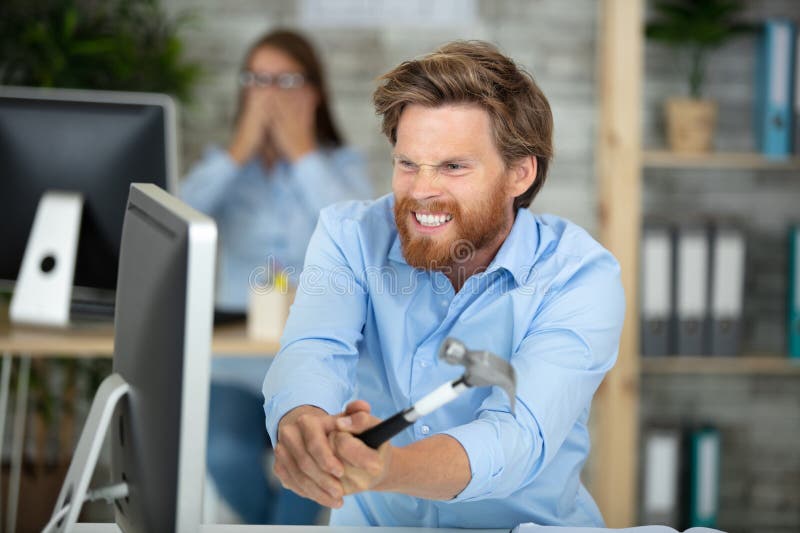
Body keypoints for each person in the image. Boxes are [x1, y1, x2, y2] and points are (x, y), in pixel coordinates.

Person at [262, 40, 625, 528]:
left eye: (454, 166)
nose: (422, 191)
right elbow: (313, 349)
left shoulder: (579, 277)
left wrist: (389, 468)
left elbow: (518, 438)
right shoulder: (350, 236)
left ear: (520, 173)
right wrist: (302, 422)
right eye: (407, 163)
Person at [180, 29, 373, 524]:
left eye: (284, 80)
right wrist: (240, 149)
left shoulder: (341, 169)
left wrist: (302, 152)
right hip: (234, 364)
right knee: (223, 451)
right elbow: (175, 222)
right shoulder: (222, 170)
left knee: (312, 464)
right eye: (257, 80)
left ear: (314, 91)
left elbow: (358, 235)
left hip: (315, 358)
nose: (268, 95)